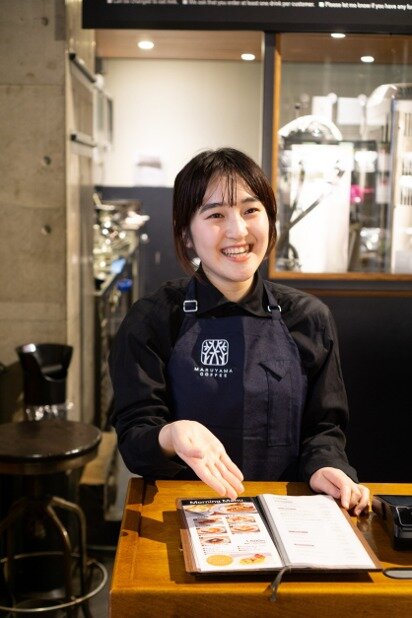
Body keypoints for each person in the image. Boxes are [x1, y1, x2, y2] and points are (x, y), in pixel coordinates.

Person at [109, 147, 370, 515]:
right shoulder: (153, 319)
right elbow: (135, 437)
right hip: (183, 512)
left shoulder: (308, 317)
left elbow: (323, 428)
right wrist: (171, 434)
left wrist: (326, 467)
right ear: (186, 234)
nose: (238, 230)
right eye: (216, 214)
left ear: (270, 219)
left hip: (286, 513)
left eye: (251, 210)